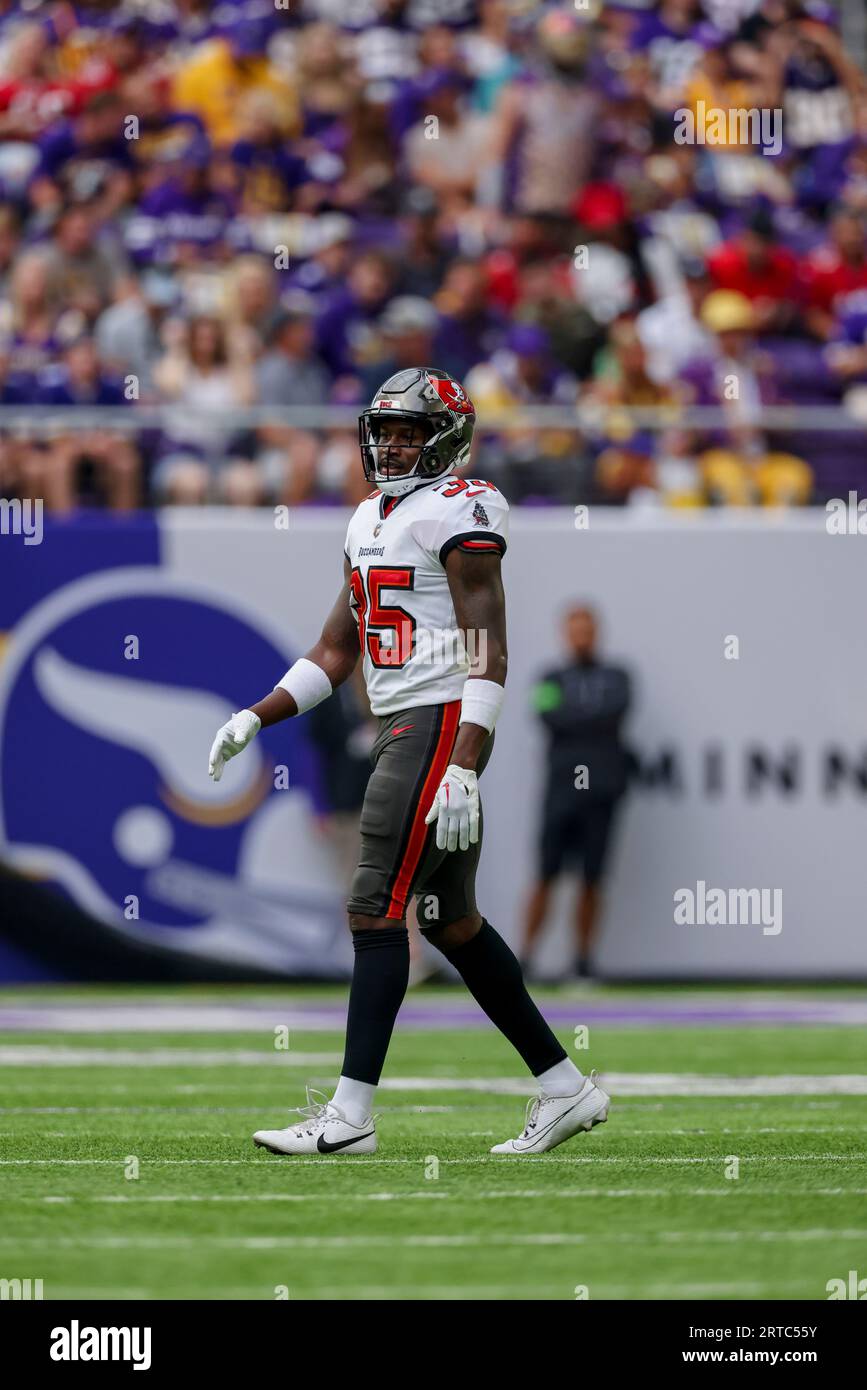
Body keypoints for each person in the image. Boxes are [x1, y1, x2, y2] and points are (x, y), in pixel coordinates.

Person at [207, 366, 610, 1156]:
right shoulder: (367, 519)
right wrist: (255, 715)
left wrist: (465, 761)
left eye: (408, 432)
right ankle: (565, 1088)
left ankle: (350, 1116)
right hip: (404, 723)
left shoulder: (459, 511)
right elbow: (335, 648)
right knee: (451, 923)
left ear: (445, 439)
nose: (391, 446)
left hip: (434, 724)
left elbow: (487, 652)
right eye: (383, 431)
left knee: (372, 908)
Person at [521, 605, 632, 980]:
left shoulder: (618, 677)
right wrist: (588, 719)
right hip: (560, 790)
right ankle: (525, 958)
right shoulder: (549, 678)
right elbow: (547, 717)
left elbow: (615, 714)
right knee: (545, 873)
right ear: (565, 634)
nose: (582, 636)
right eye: (575, 629)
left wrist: (578, 719)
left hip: (601, 793)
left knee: (592, 877)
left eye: (588, 629)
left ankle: (583, 961)